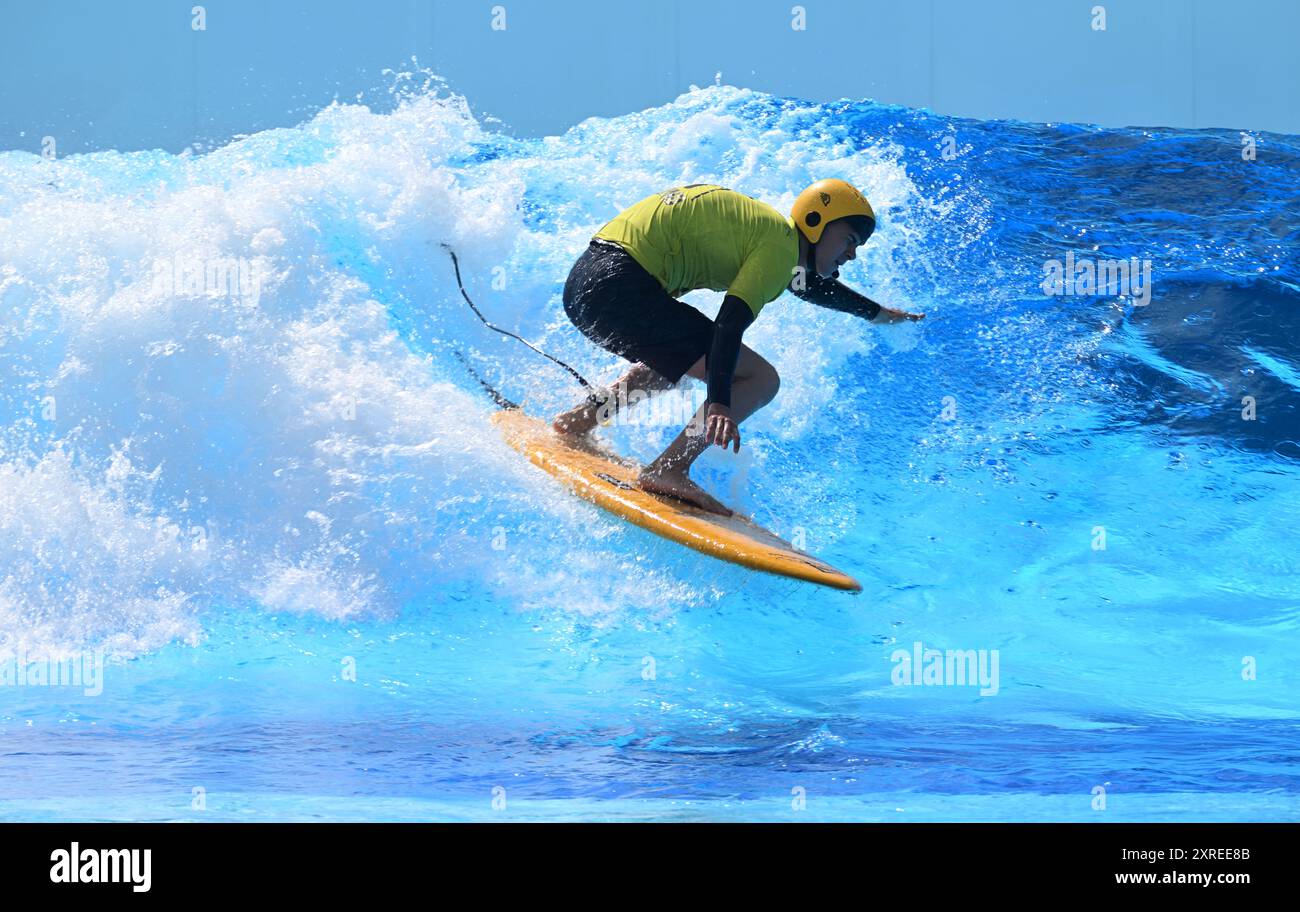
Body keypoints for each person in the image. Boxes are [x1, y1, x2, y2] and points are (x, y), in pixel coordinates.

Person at [552, 179, 925, 515]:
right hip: (619, 289)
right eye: (850, 240)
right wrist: (719, 403)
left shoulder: (773, 241)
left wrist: (876, 313)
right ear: (815, 222)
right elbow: (729, 324)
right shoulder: (778, 248)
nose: (852, 254)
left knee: (677, 360)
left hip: (587, 286)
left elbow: (805, 285)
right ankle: (668, 470)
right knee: (760, 379)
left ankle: (578, 421)